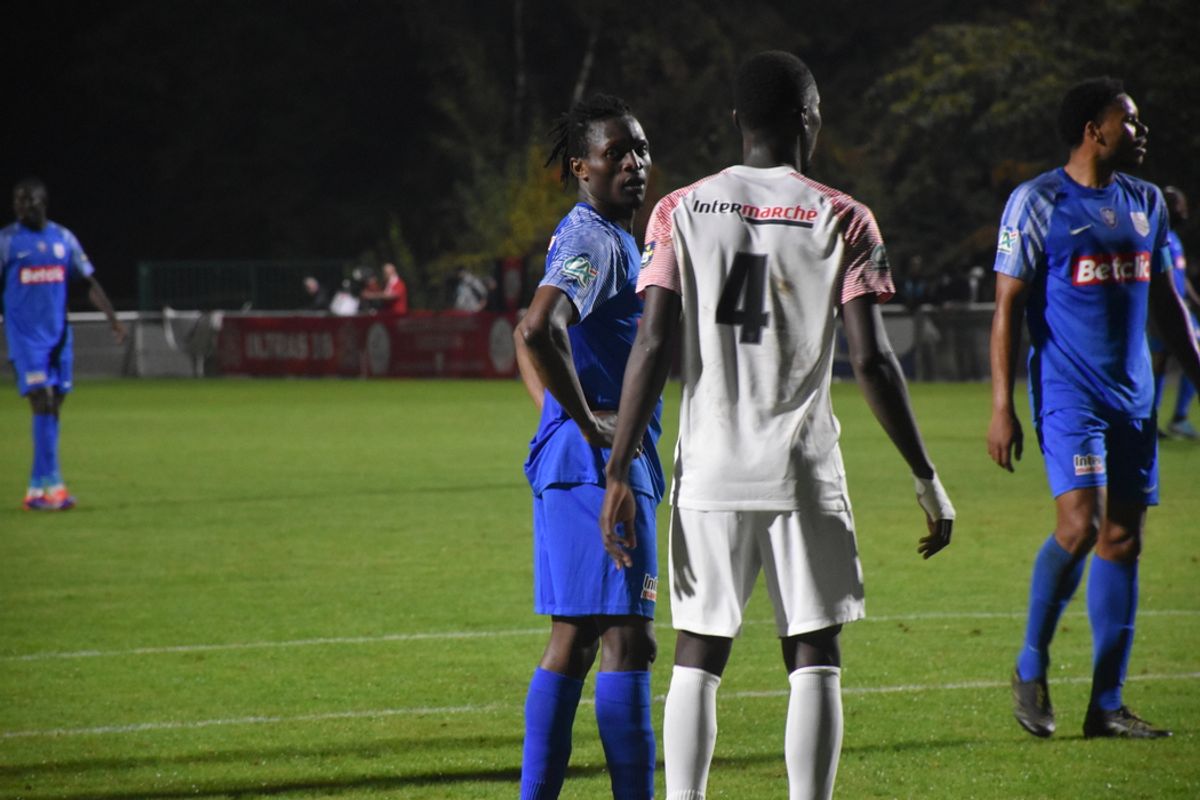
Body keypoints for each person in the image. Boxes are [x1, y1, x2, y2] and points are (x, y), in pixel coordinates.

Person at [600, 51, 955, 800]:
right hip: (802, 469)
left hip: (711, 468)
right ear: (808, 119)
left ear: (738, 122)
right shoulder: (844, 216)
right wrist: (927, 479)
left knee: (698, 651)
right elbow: (873, 360)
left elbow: (653, 345)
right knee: (814, 652)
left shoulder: (679, 211)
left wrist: (618, 471)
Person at [988, 77, 1200, 740]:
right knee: (1080, 525)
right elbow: (1007, 310)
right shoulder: (1037, 202)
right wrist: (1001, 406)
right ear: (1093, 128)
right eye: (1128, 120)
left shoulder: (1147, 204)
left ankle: (1106, 704)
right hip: (1067, 393)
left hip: (1134, 399)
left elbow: (1169, 304)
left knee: (1123, 539)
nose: (1140, 131)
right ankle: (1030, 664)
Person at [512, 93, 662, 800]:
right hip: (600, 467)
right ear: (582, 167)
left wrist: (561, 418)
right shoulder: (597, 239)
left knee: (579, 639)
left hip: (583, 460)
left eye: (639, 150)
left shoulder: (602, 236)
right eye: (616, 154)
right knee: (624, 639)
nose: (634, 164)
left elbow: (526, 333)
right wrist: (590, 425)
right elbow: (541, 328)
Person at [1, 177, 126, 510]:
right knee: (42, 400)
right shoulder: (7, 242)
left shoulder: (63, 238)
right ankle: (53, 485)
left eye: (28, 200)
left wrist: (112, 318)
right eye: (17, 200)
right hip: (26, 339)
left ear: (44, 202)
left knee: (55, 405)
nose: (21, 206)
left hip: (59, 337)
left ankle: (37, 487)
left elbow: (86, 281)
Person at [1149, 186, 1198, 438]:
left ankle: (1177, 415)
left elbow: (1179, 275)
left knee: (1185, 356)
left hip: (1182, 310)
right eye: (1180, 206)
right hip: (1164, 311)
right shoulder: (1156, 236)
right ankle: (1157, 418)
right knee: (1160, 362)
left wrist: (1194, 299)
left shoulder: (1174, 238)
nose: (1184, 211)